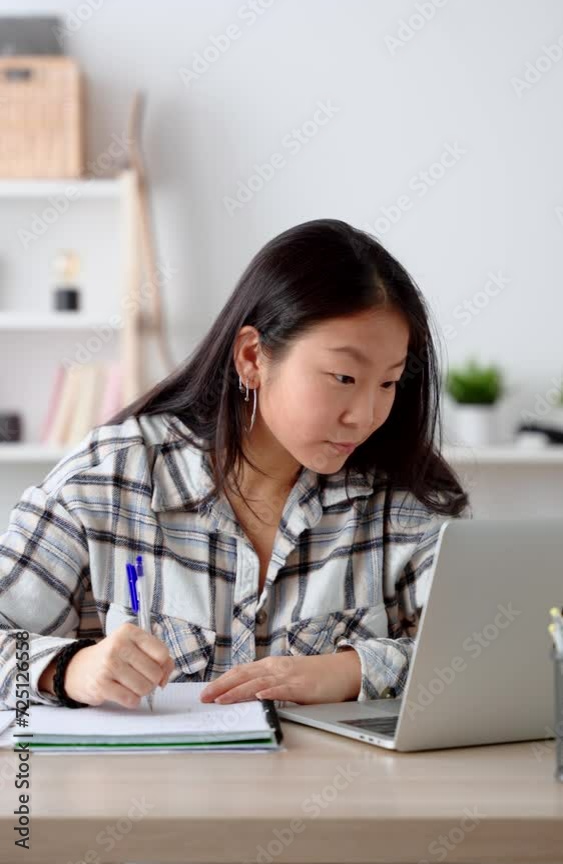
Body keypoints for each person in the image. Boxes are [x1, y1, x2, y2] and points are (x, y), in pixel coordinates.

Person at [0, 219, 470, 711]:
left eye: (389, 383)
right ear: (252, 357)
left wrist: (348, 671)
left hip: (349, 788)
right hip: (148, 788)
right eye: (344, 377)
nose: (367, 416)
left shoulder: (404, 499)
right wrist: (68, 669)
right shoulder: (110, 477)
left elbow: (485, 657)